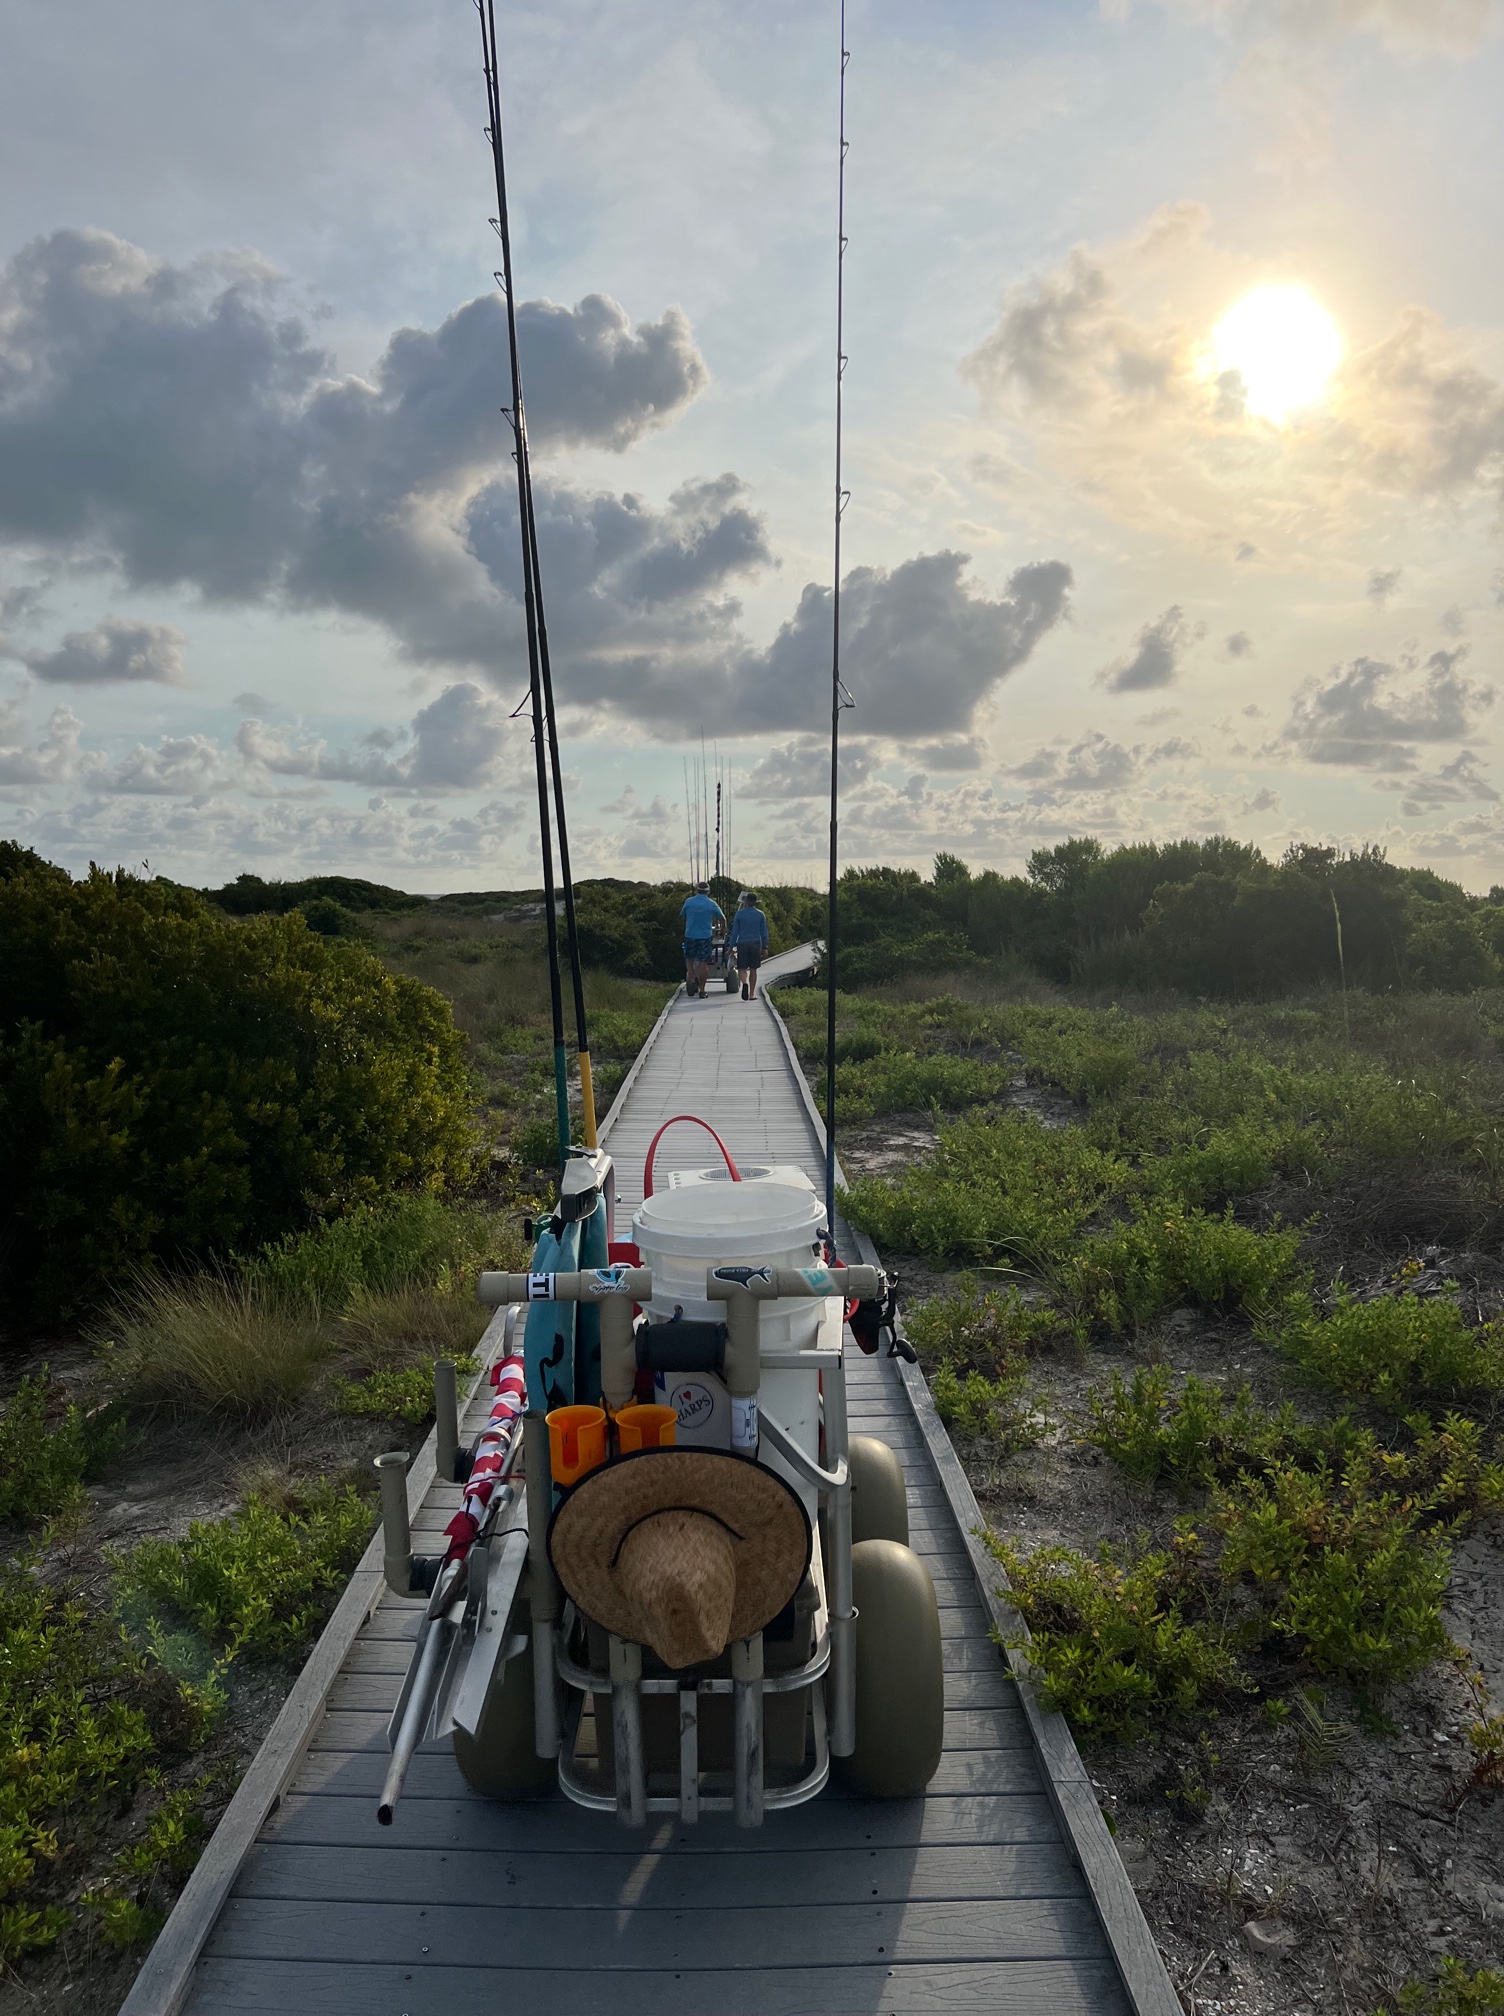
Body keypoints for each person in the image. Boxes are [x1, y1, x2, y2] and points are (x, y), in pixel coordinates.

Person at [679, 880, 725, 997]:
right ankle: (702, 990)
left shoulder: (689, 901)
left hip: (690, 935)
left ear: (697, 891)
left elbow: (682, 914)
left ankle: (692, 981)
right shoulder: (711, 904)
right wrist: (723, 930)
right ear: (708, 892)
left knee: (690, 960)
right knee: (703, 963)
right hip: (705, 937)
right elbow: (722, 918)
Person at [727, 890, 770, 999]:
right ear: (755, 902)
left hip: (742, 943)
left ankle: (744, 983)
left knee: (741, 967)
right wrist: (765, 947)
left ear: (746, 901)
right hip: (755, 943)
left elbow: (735, 932)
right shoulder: (760, 914)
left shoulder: (739, 914)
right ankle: (751, 994)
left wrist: (731, 946)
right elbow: (764, 932)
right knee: (753, 969)